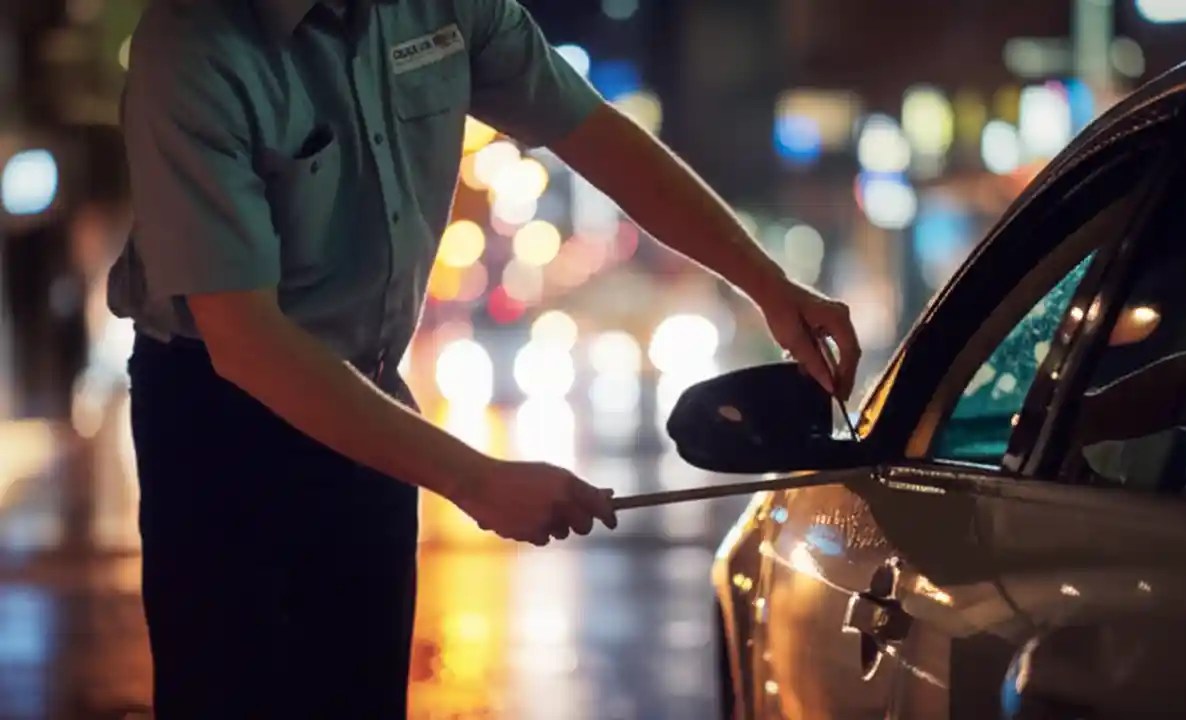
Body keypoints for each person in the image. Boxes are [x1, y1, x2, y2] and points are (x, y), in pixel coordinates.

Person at [107, 0, 860, 717]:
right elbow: (247, 341)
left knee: (358, 695)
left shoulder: (445, 8)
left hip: (369, 391)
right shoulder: (197, 48)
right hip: (221, 417)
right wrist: (476, 479)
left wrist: (767, 282)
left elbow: (594, 134)